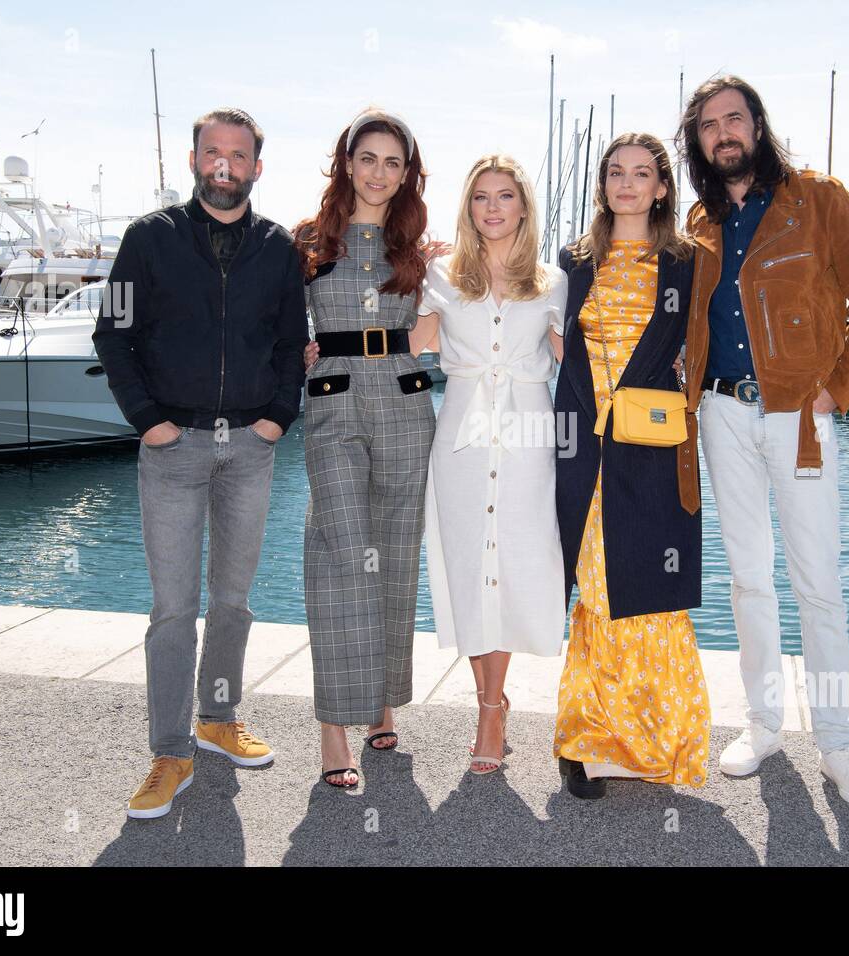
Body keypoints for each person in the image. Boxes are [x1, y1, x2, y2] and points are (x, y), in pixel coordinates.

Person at [676, 75, 849, 808]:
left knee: (819, 585)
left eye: (733, 118)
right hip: (720, 416)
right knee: (748, 579)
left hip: (800, 417)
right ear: (699, 141)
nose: (723, 133)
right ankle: (764, 723)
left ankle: (836, 742)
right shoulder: (701, 221)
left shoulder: (818, 199)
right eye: (709, 125)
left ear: (757, 124)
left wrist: (840, 389)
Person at [92, 107, 307, 820]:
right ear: (194, 161)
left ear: (256, 166)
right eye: (212, 152)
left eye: (237, 154)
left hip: (251, 447)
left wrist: (279, 416)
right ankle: (169, 751)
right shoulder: (147, 240)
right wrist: (148, 422)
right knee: (174, 608)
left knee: (234, 601)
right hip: (173, 449)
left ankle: (218, 719)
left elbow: (289, 342)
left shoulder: (277, 249)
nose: (224, 164)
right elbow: (111, 332)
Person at [552, 132, 708, 800]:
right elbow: (547, 336)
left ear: (662, 187)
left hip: (651, 450)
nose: (626, 184)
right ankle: (584, 742)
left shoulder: (686, 262)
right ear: (603, 184)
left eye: (641, 174)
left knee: (653, 597)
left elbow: (709, 342)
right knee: (598, 594)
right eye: (615, 172)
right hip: (584, 452)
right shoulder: (575, 259)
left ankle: (655, 741)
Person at [292, 108, 436, 789]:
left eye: (394, 162)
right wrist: (293, 352)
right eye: (369, 158)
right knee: (340, 552)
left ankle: (380, 699)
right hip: (334, 401)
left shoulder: (418, 249)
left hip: (405, 399)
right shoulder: (308, 243)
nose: (380, 172)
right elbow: (271, 324)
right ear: (346, 162)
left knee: (395, 554)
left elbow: (467, 315)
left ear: (407, 174)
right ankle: (331, 727)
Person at [415, 154, 567, 774]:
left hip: (529, 436)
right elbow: (415, 342)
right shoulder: (442, 273)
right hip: (461, 439)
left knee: (512, 562)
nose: (494, 207)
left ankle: (490, 713)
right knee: (469, 563)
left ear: (524, 206)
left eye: (506, 196)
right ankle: (489, 701)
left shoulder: (552, 280)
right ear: (469, 207)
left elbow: (575, 357)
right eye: (482, 197)